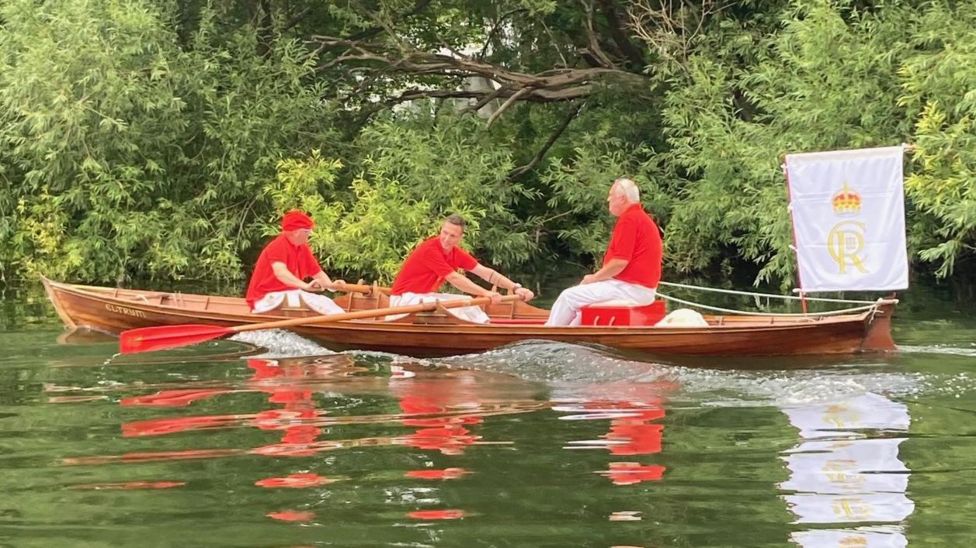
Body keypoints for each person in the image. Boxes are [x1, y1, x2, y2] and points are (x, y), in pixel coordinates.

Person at [545, 178, 662, 326]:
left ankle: (548, 334)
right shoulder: (642, 219)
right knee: (582, 307)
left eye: (611, 195)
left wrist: (594, 278)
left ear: (622, 198)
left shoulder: (629, 220)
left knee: (568, 297)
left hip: (630, 289)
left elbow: (619, 262)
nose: (608, 199)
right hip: (641, 290)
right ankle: (572, 332)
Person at [388, 214, 534, 324]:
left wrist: (515, 288)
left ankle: (485, 328)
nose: (446, 239)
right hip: (403, 301)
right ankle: (472, 332)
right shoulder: (430, 250)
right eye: (444, 233)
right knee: (451, 307)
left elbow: (486, 273)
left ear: (460, 238)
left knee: (467, 301)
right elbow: (454, 278)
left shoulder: (455, 253)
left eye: (452, 236)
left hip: (423, 298)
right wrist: (485, 293)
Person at [245, 210, 345, 315]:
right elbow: (281, 273)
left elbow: (317, 273)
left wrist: (332, 286)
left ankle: (341, 320)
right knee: (306, 300)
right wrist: (305, 286)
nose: (309, 235)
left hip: (288, 295)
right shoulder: (278, 246)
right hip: (266, 298)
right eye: (306, 232)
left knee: (325, 302)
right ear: (296, 232)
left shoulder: (303, 248)